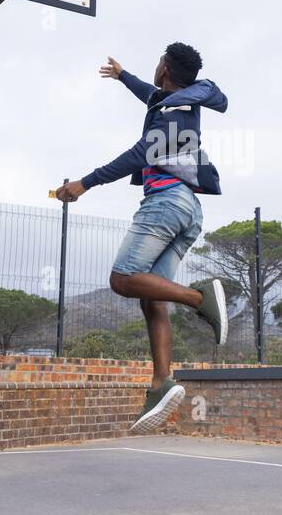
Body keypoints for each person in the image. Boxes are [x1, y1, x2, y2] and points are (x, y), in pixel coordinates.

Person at [55, 43, 228, 435]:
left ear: (164, 68)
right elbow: (150, 95)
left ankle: (201, 299)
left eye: (157, 63)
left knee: (122, 279)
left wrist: (86, 182)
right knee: (153, 296)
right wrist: (122, 76)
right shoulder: (176, 102)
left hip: (166, 202)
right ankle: (161, 381)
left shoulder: (170, 115)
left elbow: (138, 155)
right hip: (188, 210)